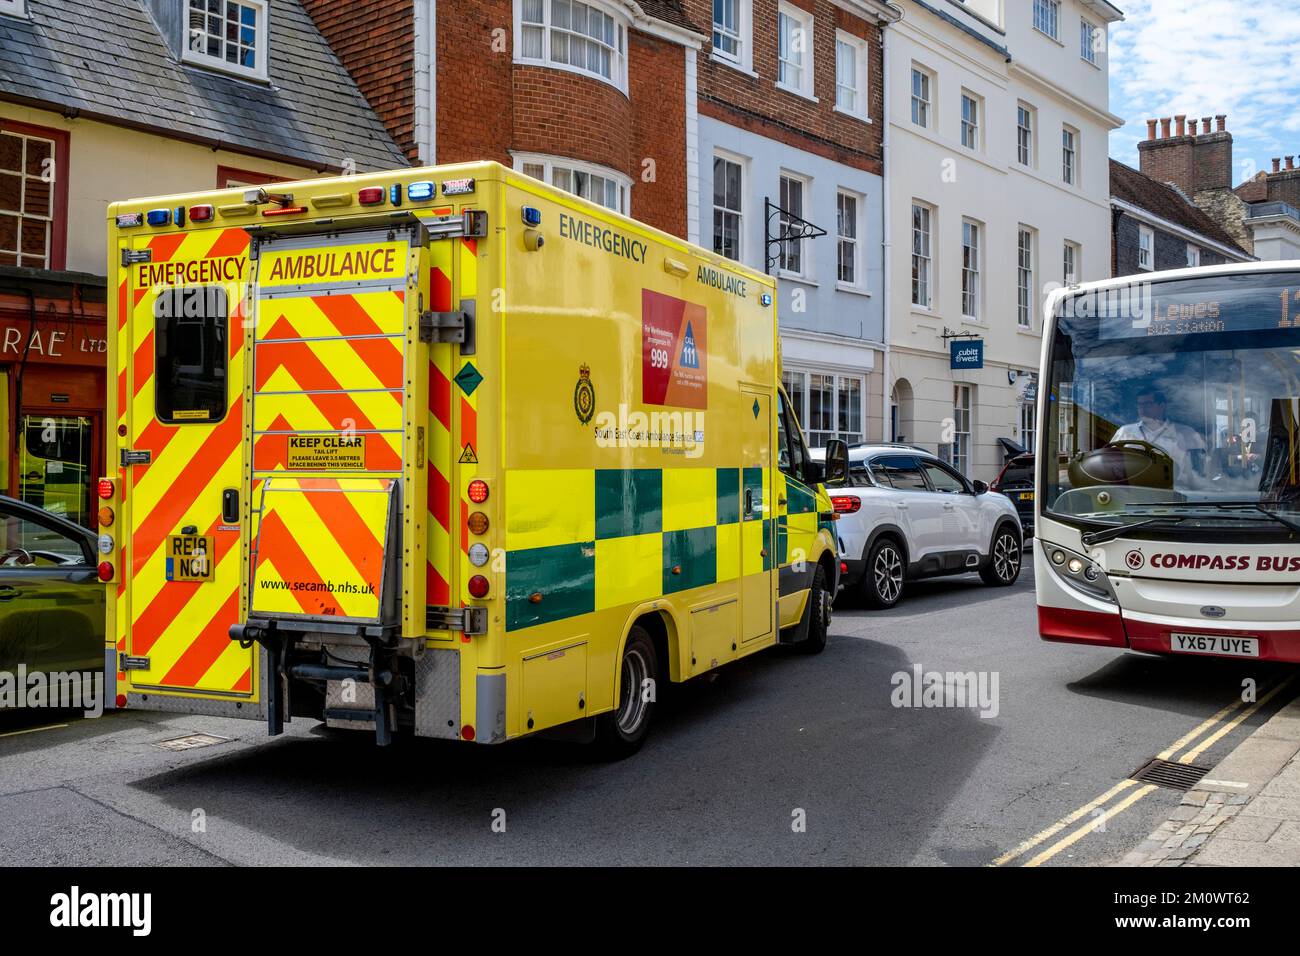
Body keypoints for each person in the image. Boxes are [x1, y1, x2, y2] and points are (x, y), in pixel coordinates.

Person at [1112, 388, 1206, 481]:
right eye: (1139, 405)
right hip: (1134, 491)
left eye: (1148, 404)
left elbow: (1199, 472)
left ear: (1162, 406)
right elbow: (1110, 463)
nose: (1142, 409)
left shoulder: (1187, 433)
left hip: (1176, 491)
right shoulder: (1125, 431)